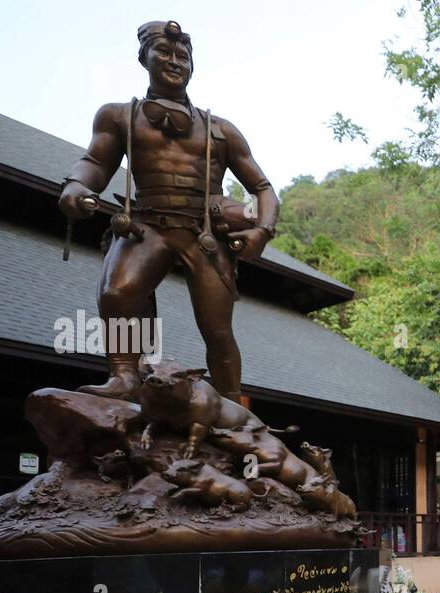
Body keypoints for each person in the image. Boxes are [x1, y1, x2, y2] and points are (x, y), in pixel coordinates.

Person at [59, 21, 279, 403]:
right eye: (164, 53)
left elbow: (262, 188)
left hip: (204, 231)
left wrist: (262, 231)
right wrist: (76, 187)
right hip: (146, 225)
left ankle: (230, 403)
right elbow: (94, 161)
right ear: (143, 57)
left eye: (183, 56)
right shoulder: (118, 116)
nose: (175, 62)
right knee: (118, 292)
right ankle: (126, 375)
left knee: (216, 327)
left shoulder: (221, 129)